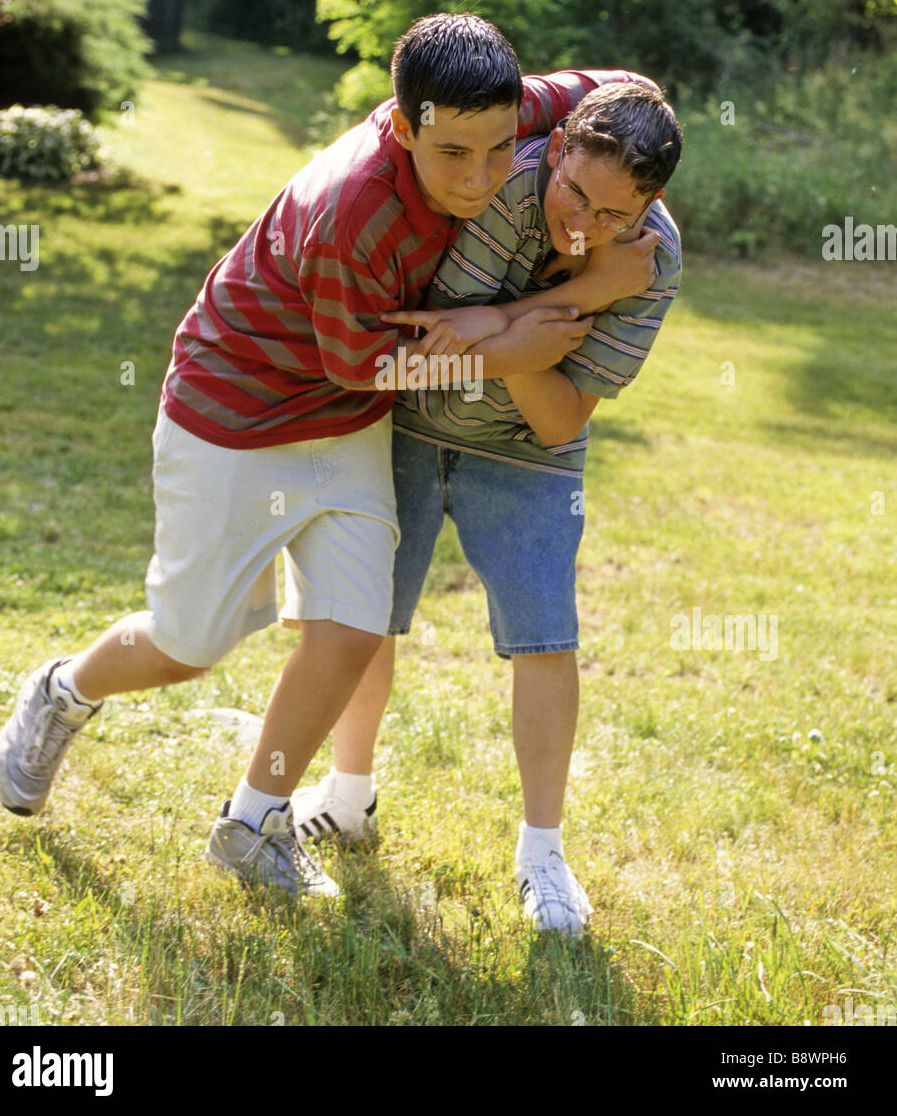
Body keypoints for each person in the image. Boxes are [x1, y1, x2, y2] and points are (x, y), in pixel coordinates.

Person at [0, 11, 646, 900]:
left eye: (499, 150)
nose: (484, 177)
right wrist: (522, 338)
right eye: (454, 155)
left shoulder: (513, 109)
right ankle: (65, 689)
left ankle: (255, 821)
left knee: (351, 627)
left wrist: (603, 236)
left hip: (342, 424)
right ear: (404, 125)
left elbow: (629, 105)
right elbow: (374, 366)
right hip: (241, 415)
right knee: (189, 644)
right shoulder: (352, 210)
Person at [292, 80, 682, 934]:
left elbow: (558, 416)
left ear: (652, 204)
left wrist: (508, 337)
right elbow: (433, 333)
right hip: (405, 416)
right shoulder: (507, 179)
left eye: (617, 214)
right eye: (573, 192)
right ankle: (346, 796)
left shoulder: (652, 260)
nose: (585, 224)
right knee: (364, 615)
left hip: (525, 450)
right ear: (558, 152)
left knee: (545, 637)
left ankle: (542, 853)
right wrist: (571, 300)